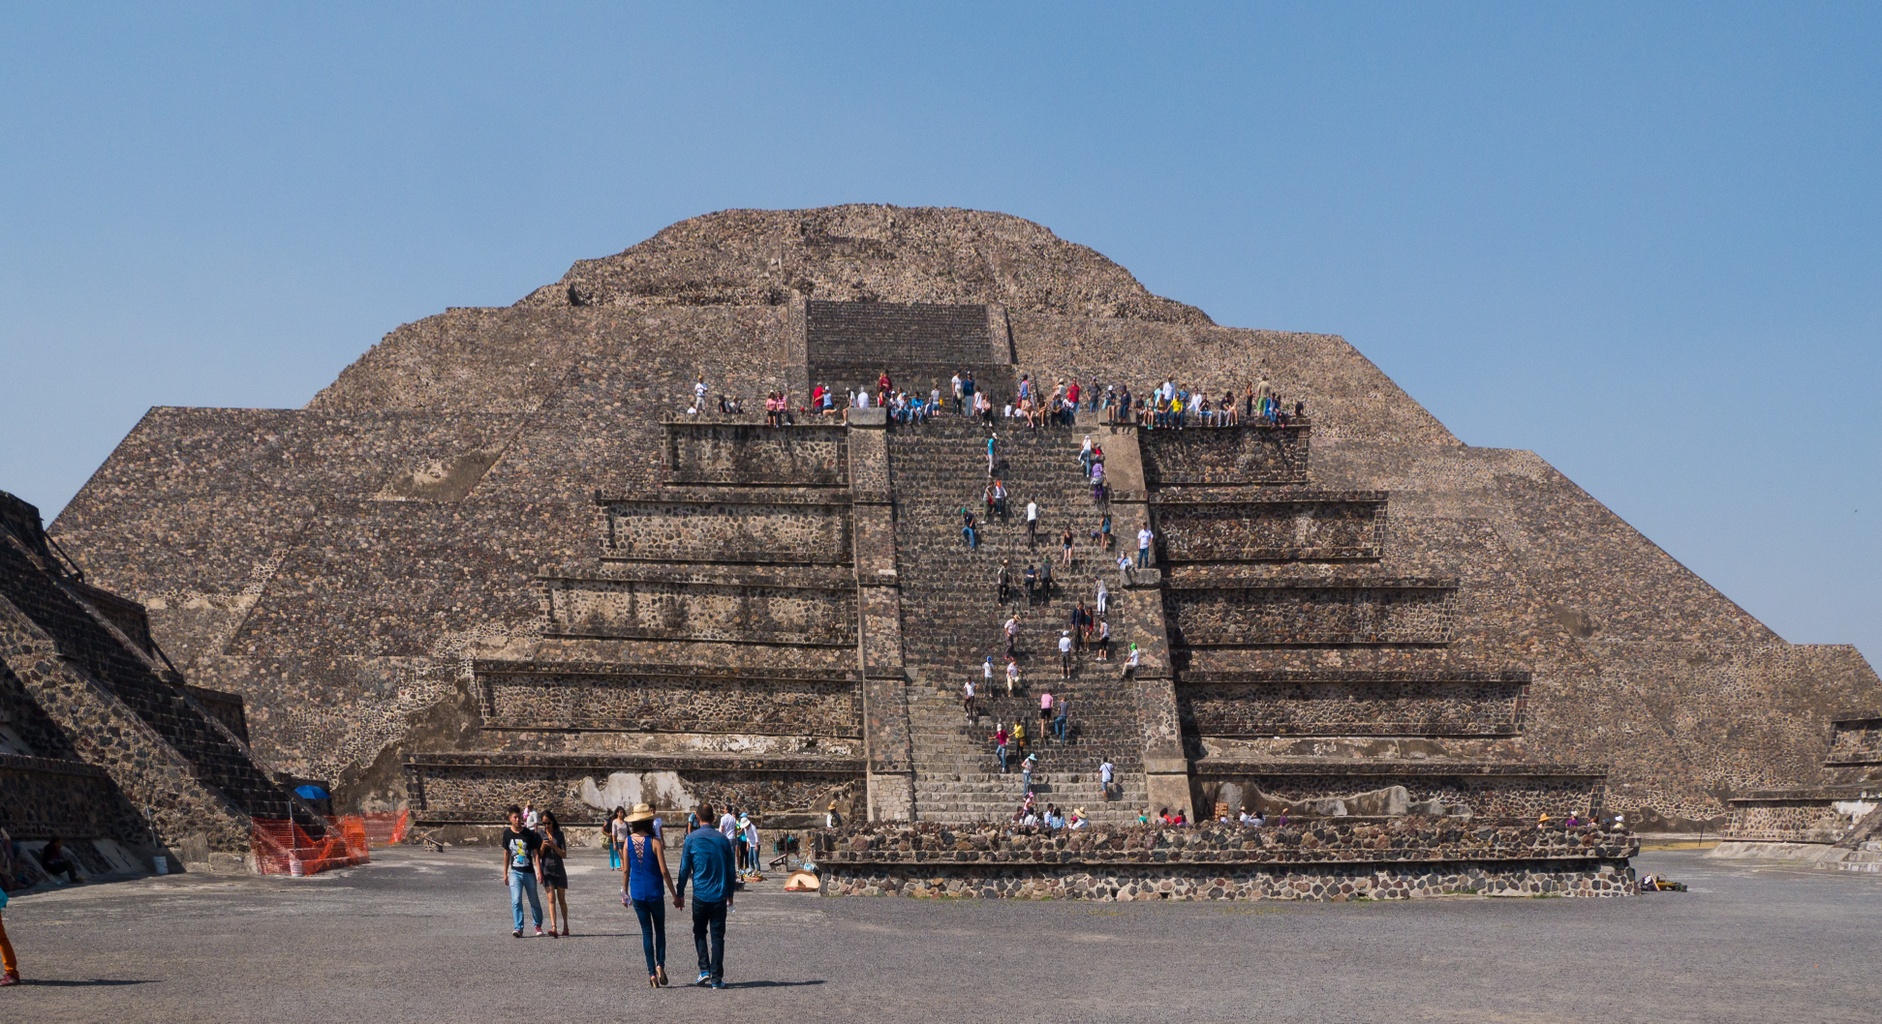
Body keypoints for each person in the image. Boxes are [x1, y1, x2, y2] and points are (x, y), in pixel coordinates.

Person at [676, 803, 738, 989]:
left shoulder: (691, 839)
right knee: (718, 937)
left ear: (697, 817)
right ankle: (717, 978)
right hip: (719, 895)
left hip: (700, 895)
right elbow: (730, 869)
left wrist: (680, 894)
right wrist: (730, 894)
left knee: (700, 932)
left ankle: (704, 970)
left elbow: (684, 869)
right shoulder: (722, 840)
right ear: (714, 818)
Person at [620, 803, 678, 986]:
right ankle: (660, 964)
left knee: (646, 932)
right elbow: (664, 871)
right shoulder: (655, 842)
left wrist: (624, 892)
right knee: (659, 930)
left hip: (637, 892)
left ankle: (651, 973)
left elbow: (625, 870)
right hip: (655, 892)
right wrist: (675, 895)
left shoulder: (628, 841)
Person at [499, 804, 545, 937]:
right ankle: (518, 927)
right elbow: (506, 853)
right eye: (515, 817)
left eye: (519, 817)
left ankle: (537, 925)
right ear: (510, 819)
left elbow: (535, 853)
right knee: (516, 900)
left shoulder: (528, 834)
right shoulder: (507, 834)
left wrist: (539, 871)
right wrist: (505, 873)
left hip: (529, 872)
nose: (518, 820)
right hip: (515, 872)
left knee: (534, 900)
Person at [536, 811, 571, 937]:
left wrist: (553, 846)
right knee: (551, 899)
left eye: (548, 823)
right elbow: (538, 856)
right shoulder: (540, 834)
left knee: (561, 899)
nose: (546, 826)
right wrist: (542, 847)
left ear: (553, 821)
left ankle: (566, 926)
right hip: (547, 869)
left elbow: (564, 854)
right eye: (544, 823)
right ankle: (554, 927)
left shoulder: (559, 835)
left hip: (559, 869)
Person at [608, 807, 628, 872]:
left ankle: (626, 868)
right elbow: (614, 834)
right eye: (620, 812)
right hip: (619, 841)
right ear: (617, 813)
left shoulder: (625, 821)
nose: (622, 814)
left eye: (622, 812)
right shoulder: (615, 822)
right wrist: (614, 844)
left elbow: (628, 831)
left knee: (627, 856)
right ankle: (624, 869)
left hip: (626, 841)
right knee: (622, 857)